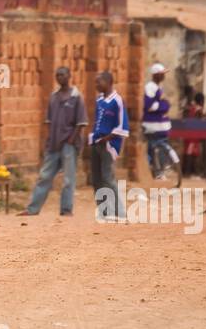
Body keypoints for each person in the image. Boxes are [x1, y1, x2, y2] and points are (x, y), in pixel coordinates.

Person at [20, 66, 88, 217]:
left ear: (69, 76)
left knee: (68, 179)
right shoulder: (53, 97)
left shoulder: (76, 97)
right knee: (44, 176)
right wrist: (50, 138)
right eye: (57, 75)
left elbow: (81, 123)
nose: (59, 77)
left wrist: (70, 140)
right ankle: (33, 209)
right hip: (54, 144)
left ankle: (66, 209)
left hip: (69, 145)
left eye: (62, 75)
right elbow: (49, 121)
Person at [88, 70, 127, 221]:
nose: (96, 85)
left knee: (108, 177)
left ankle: (120, 212)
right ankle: (105, 211)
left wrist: (108, 138)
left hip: (109, 144)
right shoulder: (99, 100)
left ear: (108, 82)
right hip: (96, 142)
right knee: (96, 179)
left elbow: (122, 126)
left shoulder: (117, 101)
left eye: (99, 82)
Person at [143, 62, 177, 180]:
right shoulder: (150, 87)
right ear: (156, 75)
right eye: (161, 74)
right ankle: (156, 171)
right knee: (153, 148)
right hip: (153, 125)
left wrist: (164, 104)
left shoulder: (158, 87)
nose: (164, 76)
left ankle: (161, 170)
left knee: (162, 147)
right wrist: (164, 105)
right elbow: (149, 105)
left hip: (162, 126)